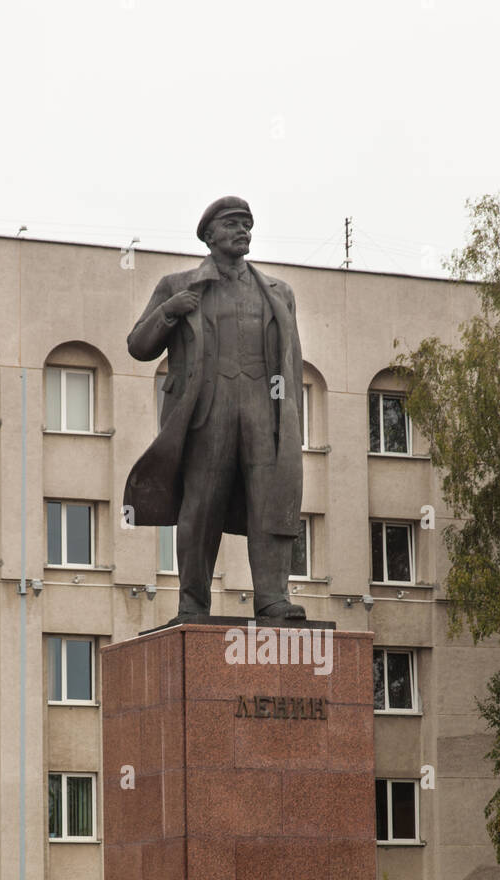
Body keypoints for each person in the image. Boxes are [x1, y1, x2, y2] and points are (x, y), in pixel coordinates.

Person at [124, 195, 306, 623]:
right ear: (209, 235)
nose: (243, 231)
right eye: (233, 224)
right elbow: (138, 346)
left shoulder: (279, 292)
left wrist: (290, 423)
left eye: (247, 224)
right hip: (206, 412)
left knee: (271, 503)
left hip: (265, 411)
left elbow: (292, 362)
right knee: (200, 507)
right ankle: (192, 603)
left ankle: (272, 599)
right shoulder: (178, 285)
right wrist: (169, 313)